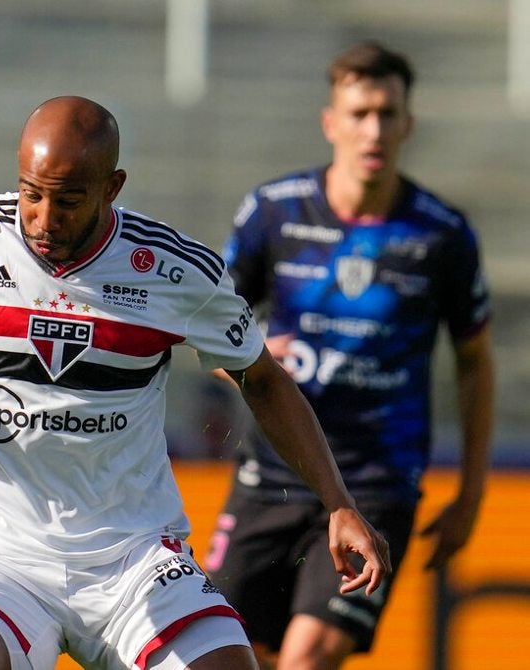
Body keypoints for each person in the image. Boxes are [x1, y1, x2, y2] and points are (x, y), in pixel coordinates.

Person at [0, 95, 390, 670]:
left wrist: (338, 503)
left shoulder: (175, 272)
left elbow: (263, 380)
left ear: (112, 187)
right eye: (30, 192)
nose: (42, 219)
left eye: (67, 200)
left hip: (136, 556)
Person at [204, 41, 495, 669]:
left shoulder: (441, 235)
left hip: (377, 484)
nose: (374, 130)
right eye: (359, 113)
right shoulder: (273, 212)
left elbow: (475, 361)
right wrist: (251, 363)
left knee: (308, 658)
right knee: (226, 656)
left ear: (408, 125)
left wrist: (471, 495)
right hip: (272, 478)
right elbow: (205, 330)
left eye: (388, 114)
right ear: (330, 122)